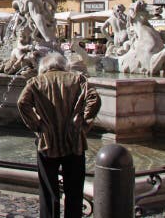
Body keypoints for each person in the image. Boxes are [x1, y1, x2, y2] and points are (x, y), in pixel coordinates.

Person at [17, 52, 101, 218]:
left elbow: (22, 103)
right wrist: (83, 123)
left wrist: (37, 125)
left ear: (44, 67)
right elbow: (94, 98)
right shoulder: (78, 80)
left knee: (49, 190)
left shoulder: (35, 82)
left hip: (48, 141)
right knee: (74, 190)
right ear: (63, 65)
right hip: (74, 140)